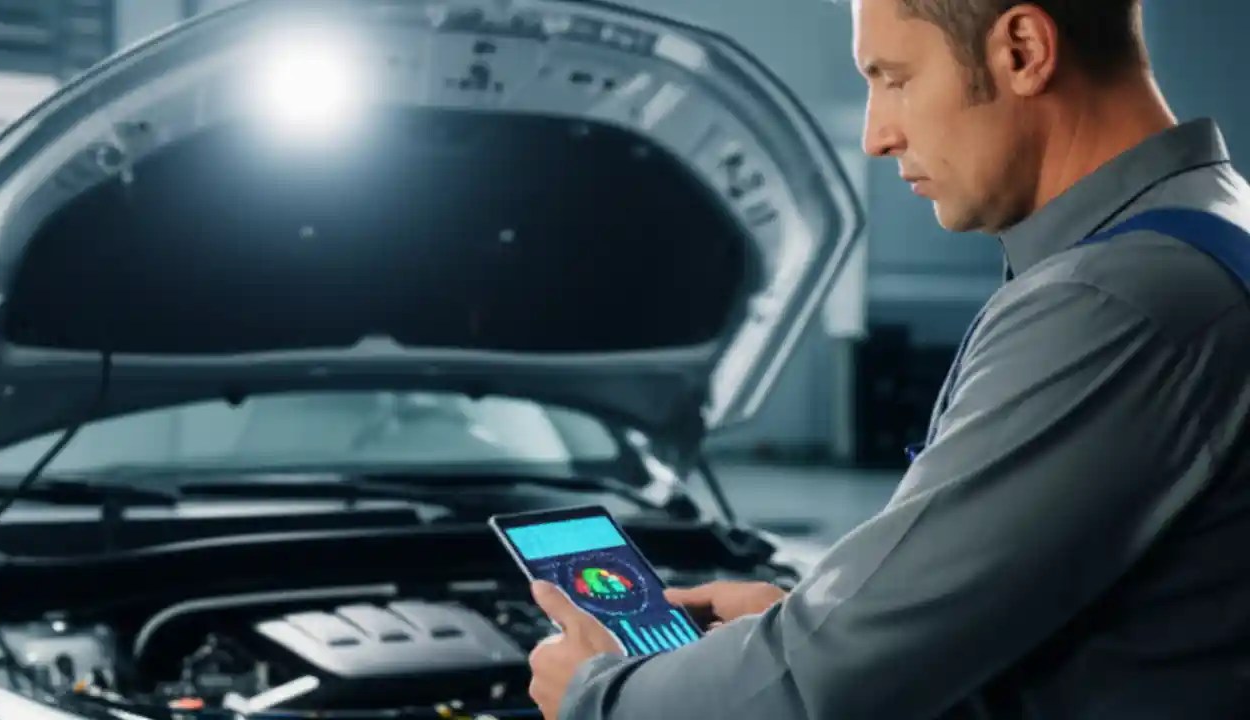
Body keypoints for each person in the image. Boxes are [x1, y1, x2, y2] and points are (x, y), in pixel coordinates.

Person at [526, 0, 1250, 717]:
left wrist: (601, 696)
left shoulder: (1113, 299)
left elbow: (823, 691)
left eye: (894, 78)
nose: (876, 134)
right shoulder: (1215, 227)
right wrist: (824, 620)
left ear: (1023, 50)